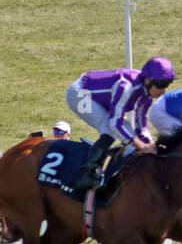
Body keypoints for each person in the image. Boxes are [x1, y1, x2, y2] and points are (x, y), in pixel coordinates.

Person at [66, 56, 175, 191]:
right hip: (81, 93)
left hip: (98, 97)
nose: (163, 90)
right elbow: (115, 123)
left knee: (129, 131)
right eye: (161, 84)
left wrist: (150, 144)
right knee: (109, 129)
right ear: (148, 80)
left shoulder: (147, 95)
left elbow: (141, 124)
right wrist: (139, 144)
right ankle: (85, 175)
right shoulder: (126, 87)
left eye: (166, 84)